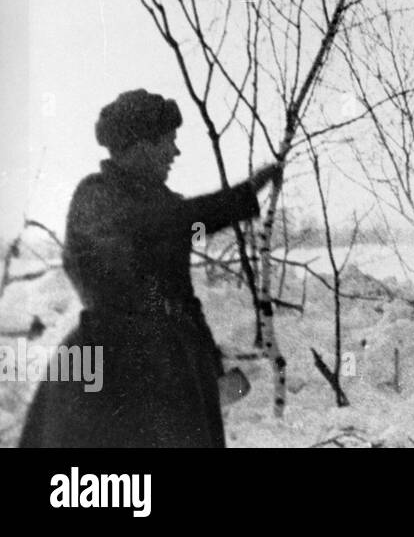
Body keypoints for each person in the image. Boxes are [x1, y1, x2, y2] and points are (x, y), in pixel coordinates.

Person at [20, 89, 281, 448]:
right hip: (110, 364)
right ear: (139, 144)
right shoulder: (95, 197)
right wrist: (239, 199)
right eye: (167, 141)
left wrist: (212, 366)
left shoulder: (164, 205)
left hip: (174, 362)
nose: (175, 152)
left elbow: (181, 294)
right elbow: (165, 223)